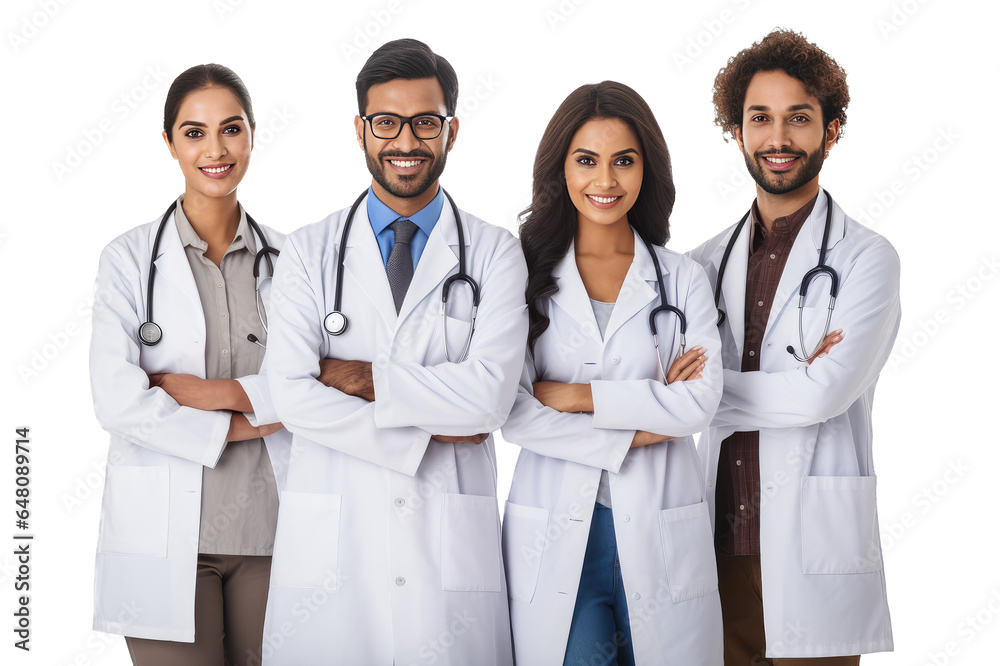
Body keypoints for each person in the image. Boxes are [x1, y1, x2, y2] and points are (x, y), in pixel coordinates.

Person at [260, 39, 527, 665]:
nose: (405, 141)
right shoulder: (307, 251)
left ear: (451, 131)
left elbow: (488, 398)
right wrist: (428, 431)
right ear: (360, 129)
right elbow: (294, 395)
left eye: (425, 122)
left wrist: (360, 377)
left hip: (446, 560)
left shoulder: (493, 253)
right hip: (334, 555)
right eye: (386, 122)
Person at [688, 29, 900, 664]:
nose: (778, 139)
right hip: (717, 540)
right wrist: (792, 386)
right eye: (760, 118)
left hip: (814, 544)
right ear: (737, 130)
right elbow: (656, 390)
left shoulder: (867, 259)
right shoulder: (699, 265)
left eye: (799, 118)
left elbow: (825, 393)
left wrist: (699, 392)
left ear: (830, 131)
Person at [501, 81, 724, 665]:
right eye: (586, 161)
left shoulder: (682, 278)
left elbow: (698, 405)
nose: (605, 181)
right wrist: (649, 416)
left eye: (623, 161)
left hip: (659, 529)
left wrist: (573, 395)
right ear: (560, 170)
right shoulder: (522, 275)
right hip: (559, 537)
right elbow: (516, 414)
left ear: (647, 169)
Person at [90, 64, 290, 666]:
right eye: (194, 132)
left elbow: (314, 387)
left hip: (273, 532)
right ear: (170, 143)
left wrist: (208, 393)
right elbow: (117, 398)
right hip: (165, 536)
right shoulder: (127, 261)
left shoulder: (295, 261)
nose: (215, 149)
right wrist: (247, 419)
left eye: (231, 129)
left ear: (253, 135)